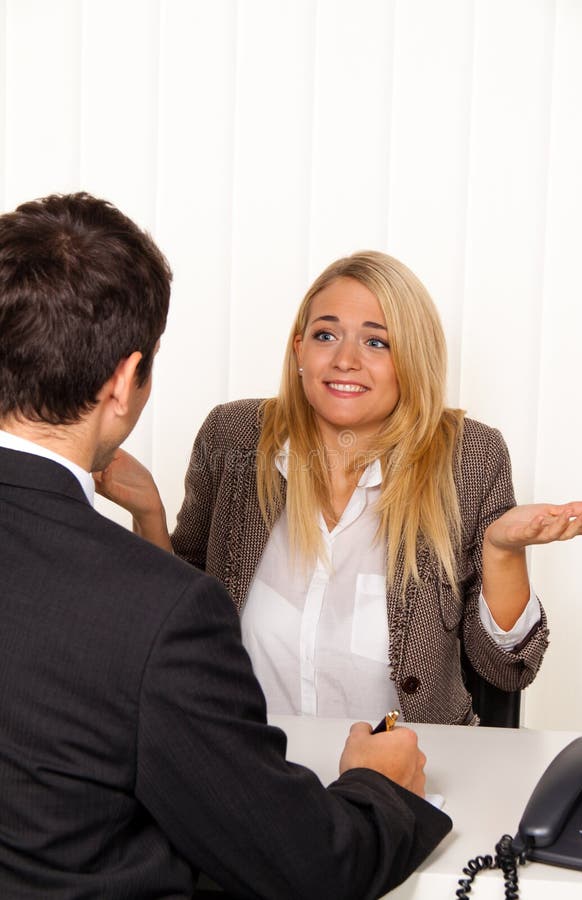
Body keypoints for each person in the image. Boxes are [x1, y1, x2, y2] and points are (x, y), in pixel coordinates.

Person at [0, 194, 452, 900]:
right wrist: (377, 786)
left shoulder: (467, 461)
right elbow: (308, 865)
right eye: (326, 334)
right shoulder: (163, 610)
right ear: (124, 381)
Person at [96, 252, 582, 725]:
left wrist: (501, 551)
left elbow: (507, 669)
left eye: (376, 342)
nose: (345, 360)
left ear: (413, 360)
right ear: (299, 349)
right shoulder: (234, 436)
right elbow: (180, 619)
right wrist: (150, 517)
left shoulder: (469, 458)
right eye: (325, 336)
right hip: (250, 765)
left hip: (406, 777)